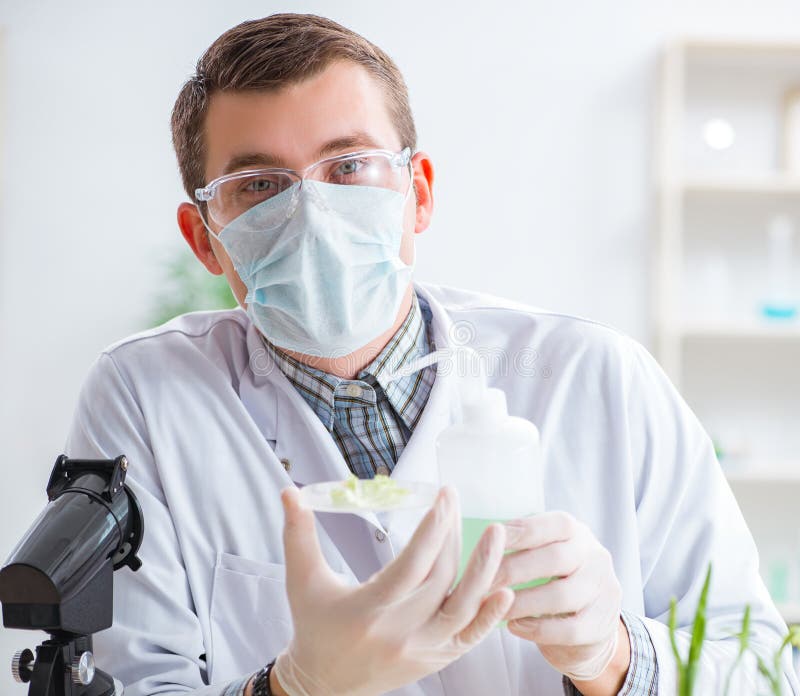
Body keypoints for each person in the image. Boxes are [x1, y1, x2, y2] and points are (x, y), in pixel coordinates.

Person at [65, 13, 798, 696]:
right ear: (205, 239)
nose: (311, 214)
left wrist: (613, 654)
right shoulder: (145, 395)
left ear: (417, 194)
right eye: (259, 186)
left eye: (348, 167)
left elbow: (765, 669)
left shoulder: (595, 377)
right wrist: (290, 686)